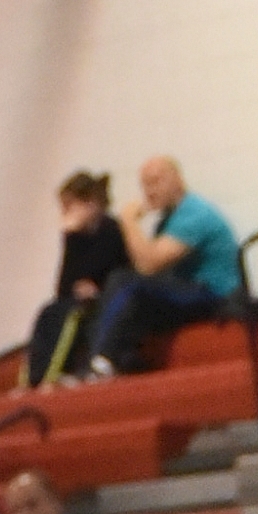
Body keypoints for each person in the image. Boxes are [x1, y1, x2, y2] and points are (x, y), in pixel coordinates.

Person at [87, 156, 242, 378]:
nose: (150, 191)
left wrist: (128, 220)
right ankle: (111, 362)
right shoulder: (166, 221)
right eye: (145, 185)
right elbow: (147, 270)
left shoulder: (195, 213)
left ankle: (98, 364)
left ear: (177, 180)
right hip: (186, 292)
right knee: (106, 295)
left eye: (155, 182)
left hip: (213, 295)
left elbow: (148, 265)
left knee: (124, 282)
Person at [25, 171, 131, 385]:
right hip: (80, 300)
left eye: (69, 207)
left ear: (90, 203)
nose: (65, 214)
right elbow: (63, 286)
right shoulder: (77, 238)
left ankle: (52, 374)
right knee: (48, 312)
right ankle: (34, 377)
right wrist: (71, 239)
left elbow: (104, 270)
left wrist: (71, 238)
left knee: (68, 315)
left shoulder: (111, 230)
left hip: (104, 301)